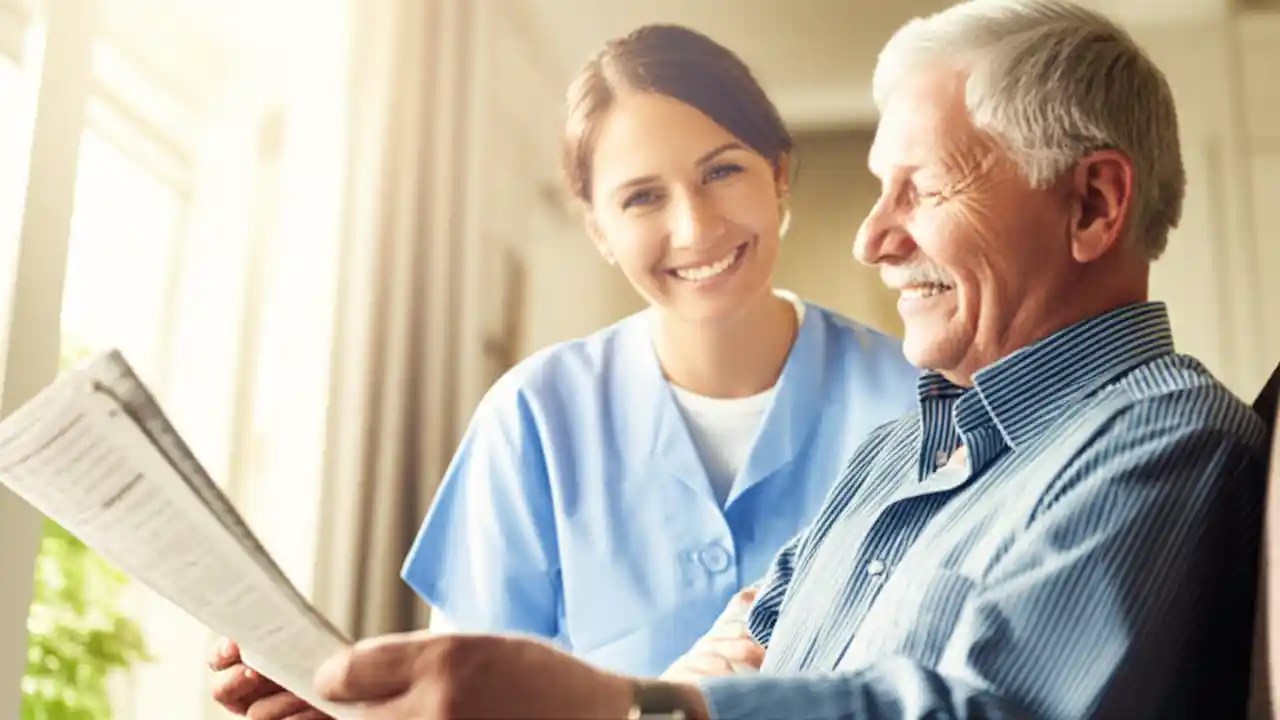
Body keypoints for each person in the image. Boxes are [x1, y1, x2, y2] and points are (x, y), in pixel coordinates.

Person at [288, 1, 1271, 718]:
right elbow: (745, 645)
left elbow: (984, 711)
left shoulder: (1162, 441)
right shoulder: (905, 446)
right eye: (638, 197)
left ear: (1092, 205)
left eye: (917, 190)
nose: (869, 241)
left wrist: (616, 707)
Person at [209, 23, 920, 718]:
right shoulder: (533, 417)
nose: (696, 227)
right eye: (643, 197)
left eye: (723, 171)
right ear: (600, 232)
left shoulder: (921, 405)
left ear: (779, 174)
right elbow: (472, 705)